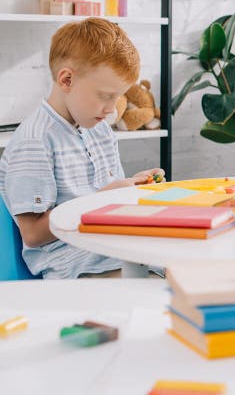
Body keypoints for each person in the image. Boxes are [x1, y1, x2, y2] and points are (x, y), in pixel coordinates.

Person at [0, 18, 163, 278]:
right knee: (165, 286)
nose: (111, 110)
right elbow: (32, 235)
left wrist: (132, 187)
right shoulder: (34, 142)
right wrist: (100, 200)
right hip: (75, 264)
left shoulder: (100, 130)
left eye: (118, 97)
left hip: (112, 247)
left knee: (187, 267)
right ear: (67, 80)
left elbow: (107, 197)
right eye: (105, 96)